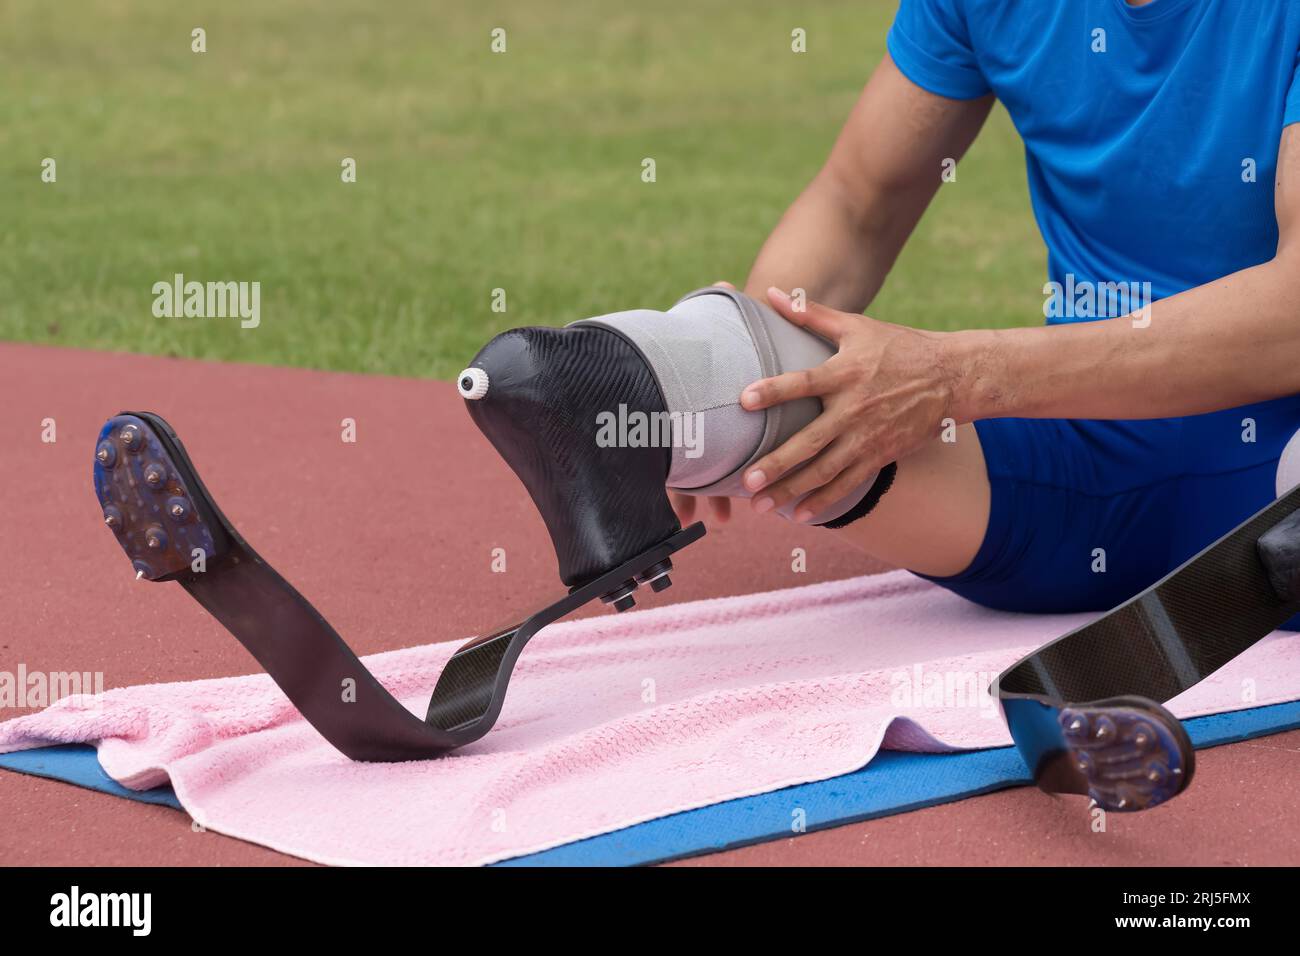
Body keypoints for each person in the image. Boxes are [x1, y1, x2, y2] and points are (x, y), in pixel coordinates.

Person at [669, 0, 1300, 616]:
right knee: (698, 382)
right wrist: (738, 388)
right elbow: (857, 206)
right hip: (1084, 446)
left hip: (1284, 451)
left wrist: (954, 376)